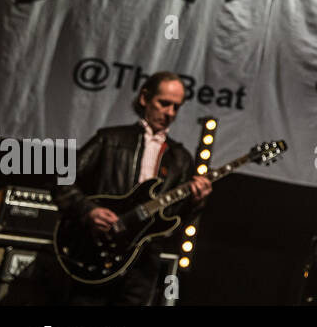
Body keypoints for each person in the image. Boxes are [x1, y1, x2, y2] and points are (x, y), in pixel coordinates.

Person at [51, 71, 211, 306]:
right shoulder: (110, 139)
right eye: (164, 103)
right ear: (145, 98)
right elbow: (62, 179)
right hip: (95, 250)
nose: (169, 113)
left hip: (143, 261)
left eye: (176, 107)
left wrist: (197, 201)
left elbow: (177, 221)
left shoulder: (181, 159)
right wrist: (89, 211)